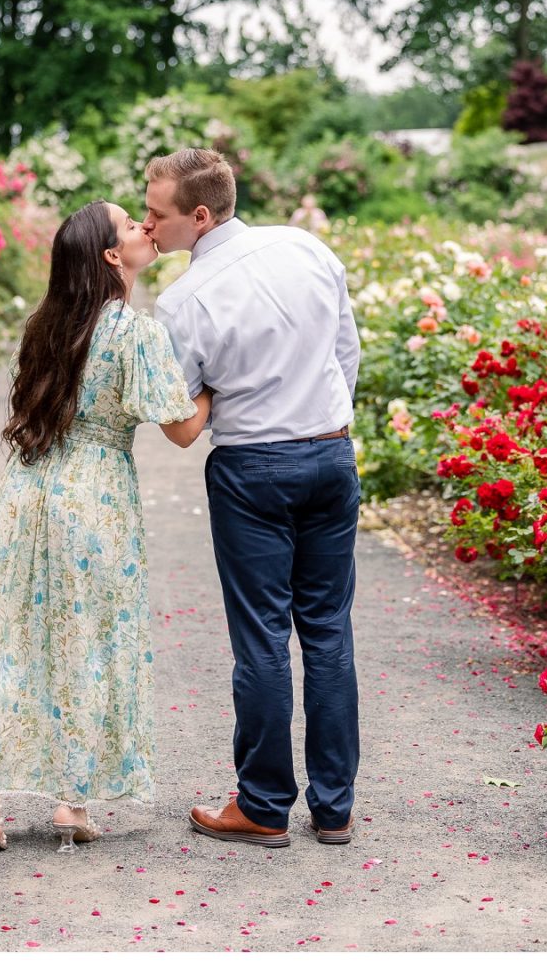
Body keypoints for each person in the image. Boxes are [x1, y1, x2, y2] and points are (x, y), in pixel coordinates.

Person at [0, 201, 212, 854]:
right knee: (88, 638)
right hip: (95, 498)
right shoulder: (135, 332)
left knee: (8, 636)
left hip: (27, 489)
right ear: (113, 256)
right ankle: (72, 798)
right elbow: (182, 429)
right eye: (132, 225)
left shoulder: (46, 327)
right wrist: (218, 387)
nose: (146, 227)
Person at [143, 148, 362, 848]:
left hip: (253, 469)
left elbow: (179, 417)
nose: (147, 226)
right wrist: (316, 413)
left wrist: (229, 388)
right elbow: (346, 352)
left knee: (262, 636)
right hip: (331, 453)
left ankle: (264, 805)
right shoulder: (307, 248)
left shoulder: (182, 302)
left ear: (200, 216)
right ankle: (334, 808)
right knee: (328, 630)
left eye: (157, 214)